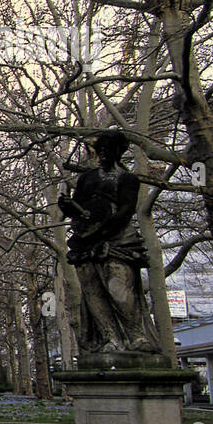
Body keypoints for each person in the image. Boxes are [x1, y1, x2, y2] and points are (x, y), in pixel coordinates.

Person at [58, 130, 162, 354]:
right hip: (85, 242)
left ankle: (137, 337)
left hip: (117, 239)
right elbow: (76, 208)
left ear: (119, 151)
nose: (103, 153)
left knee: (119, 289)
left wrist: (102, 230)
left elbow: (126, 210)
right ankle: (111, 339)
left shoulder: (127, 179)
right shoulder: (87, 178)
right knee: (93, 293)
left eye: (108, 149)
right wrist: (66, 204)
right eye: (100, 148)